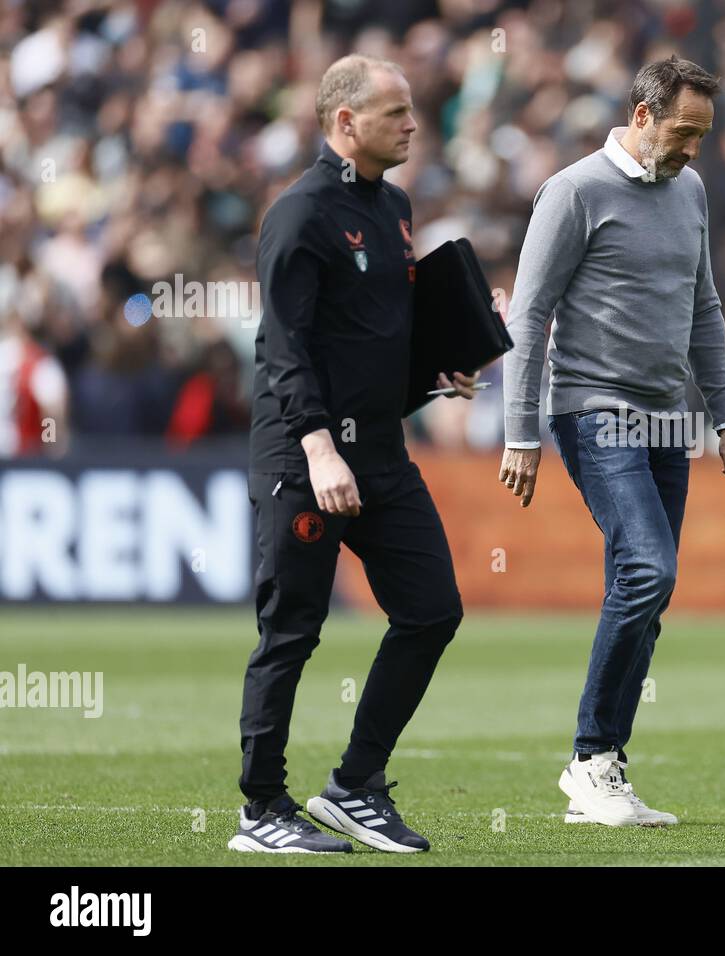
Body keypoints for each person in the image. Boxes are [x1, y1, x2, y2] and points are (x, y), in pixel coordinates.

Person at [499, 55, 725, 827]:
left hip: (670, 420)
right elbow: (528, 315)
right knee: (648, 568)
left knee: (647, 592)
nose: (693, 149)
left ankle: (603, 766)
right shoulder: (572, 192)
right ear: (641, 115)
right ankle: (588, 762)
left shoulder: (691, 190)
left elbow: (704, 308)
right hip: (595, 411)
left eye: (704, 136)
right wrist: (519, 433)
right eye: (684, 132)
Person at [231, 54, 480, 854]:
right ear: (346, 122)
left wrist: (437, 364)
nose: (414, 123)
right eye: (397, 112)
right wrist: (316, 450)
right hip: (305, 457)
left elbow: (374, 330)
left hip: (379, 451)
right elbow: (284, 345)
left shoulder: (396, 206)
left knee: (433, 609)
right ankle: (260, 809)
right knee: (292, 630)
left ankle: (353, 786)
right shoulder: (298, 214)